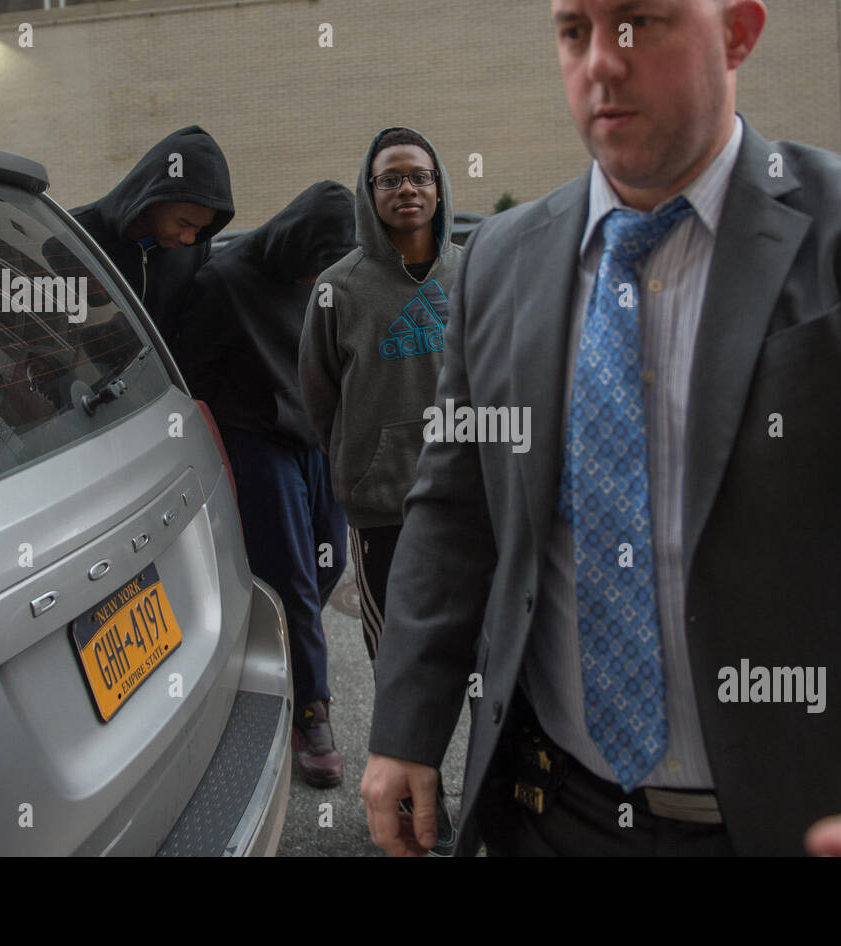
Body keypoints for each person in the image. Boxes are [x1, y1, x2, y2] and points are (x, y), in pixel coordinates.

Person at [360, 0, 841, 857]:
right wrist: (405, 723)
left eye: (640, 21)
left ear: (740, 32)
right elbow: (454, 509)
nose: (601, 63)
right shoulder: (499, 261)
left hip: (810, 819)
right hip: (550, 813)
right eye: (575, 30)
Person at [299, 126, 463, 854]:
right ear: (370, 193)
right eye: (390, 178)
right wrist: (359, 463)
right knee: (399, 670)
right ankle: (409, 816)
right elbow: (317, 395)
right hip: (384, 510)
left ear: (439, 187)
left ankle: (487, 798)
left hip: (471, 503)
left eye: (419, 177)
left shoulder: (472, 273)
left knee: (489, 664)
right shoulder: (339, 289)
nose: (407, 189)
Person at [177, 181, 355, 788]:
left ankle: (289, 640)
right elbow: (191, 371)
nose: (315, 283)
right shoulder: (224, 283)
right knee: (295, 578)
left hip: (315, 436)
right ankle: (313, 710)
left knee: (329, 559)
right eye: (312, 269)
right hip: (257, 439)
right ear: (294, 243)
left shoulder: (330, 282)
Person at [70, 125, 234, 356]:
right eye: (184, 223)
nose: (189, 238)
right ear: (153, 199)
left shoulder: (194, 248)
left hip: (162, 390)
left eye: (200, 228)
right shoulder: (74, 237)